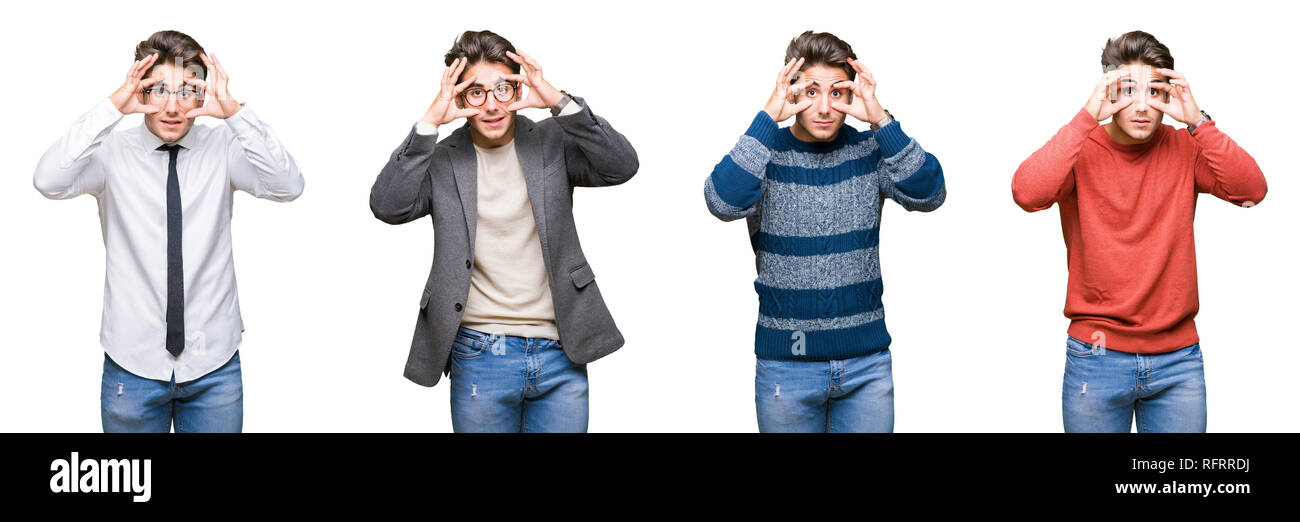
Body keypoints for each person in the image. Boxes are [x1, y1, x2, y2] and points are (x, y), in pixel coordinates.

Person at [33, 30, 305, 433]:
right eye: (159, 89)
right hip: (133, 365)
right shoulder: (110, 154)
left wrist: (234, 113)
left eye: (186, 90)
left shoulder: (226, 147)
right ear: (140, 92)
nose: (173, 106)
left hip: (214, 366)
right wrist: (111, 108)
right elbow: (47, 180)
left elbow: (289, 186)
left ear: (202, 91)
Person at [370, 30, 639, 433]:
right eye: (476, 93)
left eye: (503, 89)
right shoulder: (442, 159)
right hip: (480, 352)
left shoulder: (552, 140)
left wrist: (556, 101)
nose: (492, 104)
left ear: (518, 87)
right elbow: (387, 206)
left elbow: (621, 166)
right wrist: (428, 124)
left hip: (561, 350)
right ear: (460, 98)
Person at [1012, 30, 1267, 433]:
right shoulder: (1080, 149)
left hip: (1178, 359)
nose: (1142, 105)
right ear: (1108, 91)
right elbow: (1027, 194)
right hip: (1096, 356)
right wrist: (1085, 118)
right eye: (1128, 90)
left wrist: (1199, 121)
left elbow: (1252, 191)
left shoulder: (1187, 148)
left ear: (1169, 95)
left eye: (1154, 91)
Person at [704, 31, 946, 433]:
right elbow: (722, 202)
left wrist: (882, 120)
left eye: (836, 93)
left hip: (866, 365)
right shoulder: (765, 152)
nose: (823, 107)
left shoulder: (871, 150)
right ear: (792, 91)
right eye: (810, 91)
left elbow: (931, 193)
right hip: (786, 364)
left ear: (851, 96)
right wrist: (766, 118)